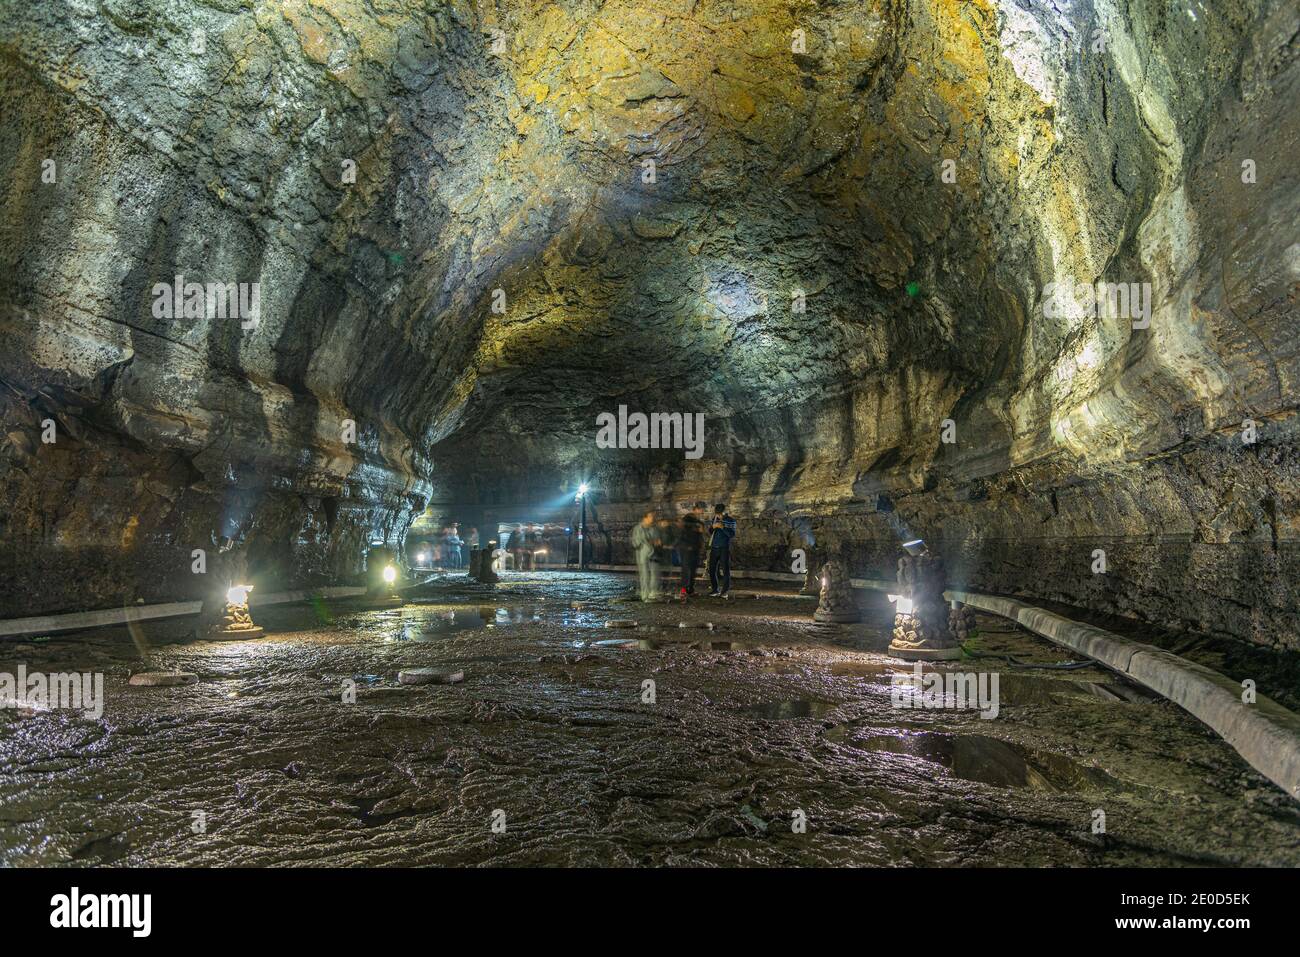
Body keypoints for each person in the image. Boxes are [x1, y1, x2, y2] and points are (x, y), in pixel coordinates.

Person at [707, 503, 736, 598]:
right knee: (712, 570)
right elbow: (710, 532)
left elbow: (731, 534)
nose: (718, 516)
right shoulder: (714, 519)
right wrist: (713, 527)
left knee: (725, 570)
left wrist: (722, 527)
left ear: (724, 512)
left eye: (720, 514)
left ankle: (724, 592)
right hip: (714, 548)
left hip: (724, 548)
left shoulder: (731, 520)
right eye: (717, 514)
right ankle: (715, 590)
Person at [677, 502, 705, 597]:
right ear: (695, 509)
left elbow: (700, 535)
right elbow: (682, 531)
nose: (702, 511)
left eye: (702, 509)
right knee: (686, 568)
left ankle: (690, 589)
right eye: (700, 509)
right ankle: (684, 589)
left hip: (695, 548)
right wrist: (696, 529)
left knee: (693, 569)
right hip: (686, 548)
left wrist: (701, 546)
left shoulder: (699, 522)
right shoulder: (687, 519)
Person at [631, 510, 660, 602]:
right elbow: (636, 543)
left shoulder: (653, 528)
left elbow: (657, 540)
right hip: (642, 555)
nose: (653, 518)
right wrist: (649, 542)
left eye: (653, 516)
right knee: (645, 575)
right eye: (651, 516)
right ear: (645, 518)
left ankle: (652, 594)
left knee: (654, 575)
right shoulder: (638, 529)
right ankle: (645, 595)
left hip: (653, 554)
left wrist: (656, 542)